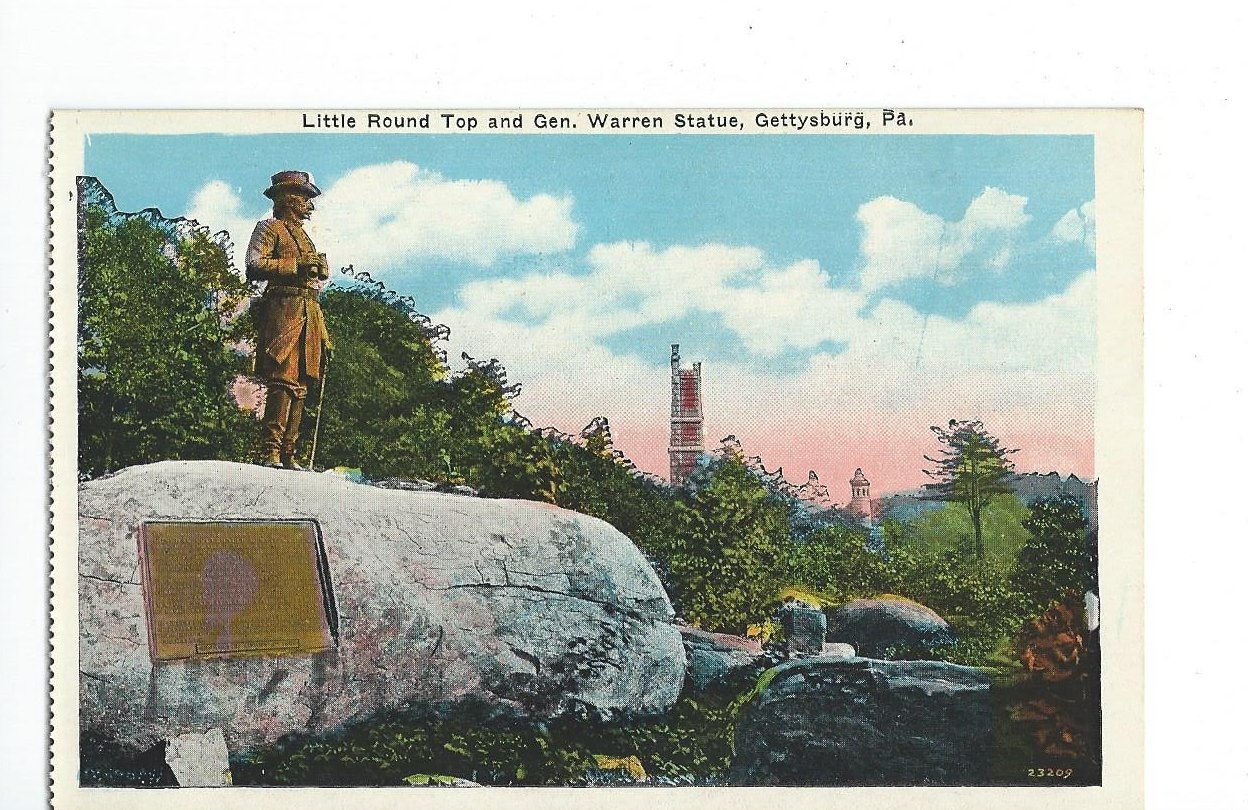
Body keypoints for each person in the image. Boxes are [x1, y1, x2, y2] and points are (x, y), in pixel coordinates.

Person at [245, 170, 332, 469]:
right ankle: (269, 450)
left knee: (302, 384)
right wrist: (296, 264)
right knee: (282, 379)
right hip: (283, 311)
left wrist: (319, 267)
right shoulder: (269, 228)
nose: (310, 205)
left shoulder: (304, 236)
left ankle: (289, 452)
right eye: (304, 198)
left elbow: (311, 277)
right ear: (287, 199)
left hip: (309, 312)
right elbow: (254, 264)